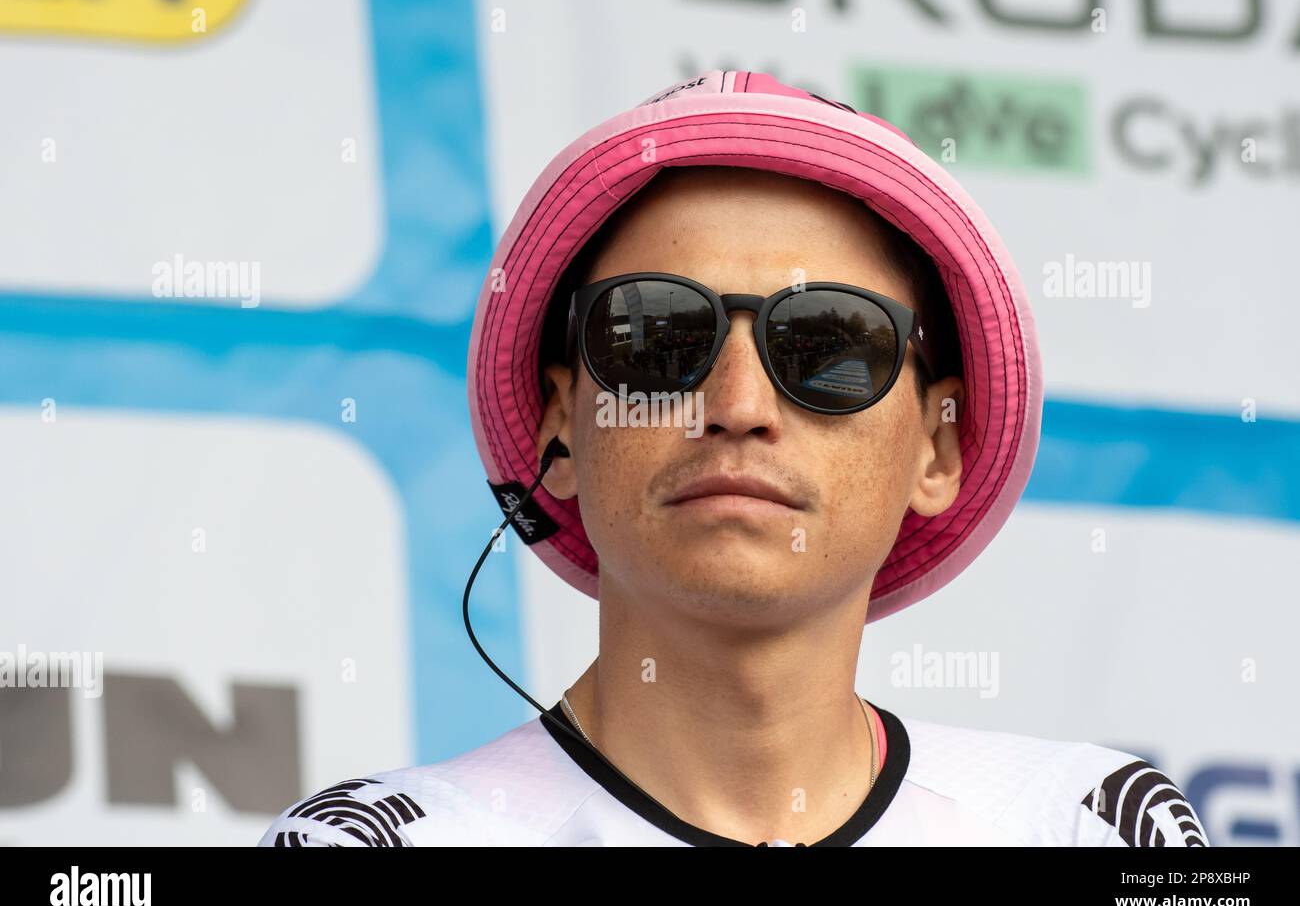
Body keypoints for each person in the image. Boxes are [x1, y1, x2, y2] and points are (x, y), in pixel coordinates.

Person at [258, 71, 1207, 847]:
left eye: (833, 347)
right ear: (562, 430)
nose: (740, 408)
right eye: (657, 338)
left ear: (939, 446)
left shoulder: (1098, 829)